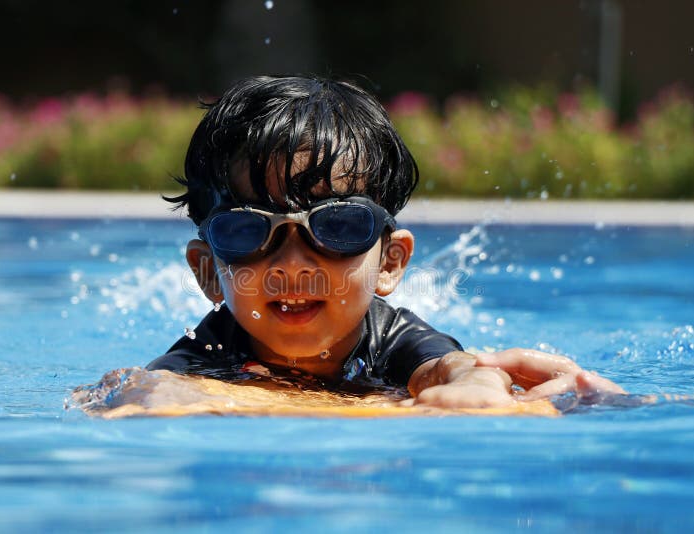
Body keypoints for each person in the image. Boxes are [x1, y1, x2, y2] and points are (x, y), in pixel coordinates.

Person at [146, 75, 624, 409]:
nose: (292, 264)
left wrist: (476, 382)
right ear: (208, 270)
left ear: (391, 262)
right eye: (246, 231)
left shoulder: (397, 343)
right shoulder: (202, 357)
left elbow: (448, 369)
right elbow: (144, 394)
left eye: (338, 227)